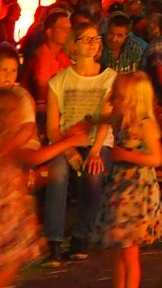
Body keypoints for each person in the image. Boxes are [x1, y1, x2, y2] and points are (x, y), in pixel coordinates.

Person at [0, 86, 85, 288]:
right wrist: (68, 142)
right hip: (1, 222)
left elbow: (9, 177)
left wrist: (43, 179)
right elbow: (34, 157)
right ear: (7, 115)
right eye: (17, 113)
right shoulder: (5, 144)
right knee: (5, 270)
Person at [44, 22, 118, 258]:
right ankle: (53, 239)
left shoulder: (109, 77)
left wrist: (95, 150)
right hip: (67, 140)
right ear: (73, 45)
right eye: (85, 39)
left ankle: (81, 235)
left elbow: (106, 117)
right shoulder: (59, 81)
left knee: (94, 174)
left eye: (95, 39)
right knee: (57, 173)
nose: (91, 44)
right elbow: (53, 127)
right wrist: (68, 151)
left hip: (98, 141)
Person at [87, 70, 162, 288]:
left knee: (130, 253)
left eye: (118, 96)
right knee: (117, 251)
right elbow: (102, 118)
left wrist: (125, 155)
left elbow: (158, 157)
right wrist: (87, 125)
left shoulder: (144, 123)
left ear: (133, 100)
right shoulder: (120, 118)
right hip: (119, 188)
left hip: (136, 192)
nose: (113, 99)